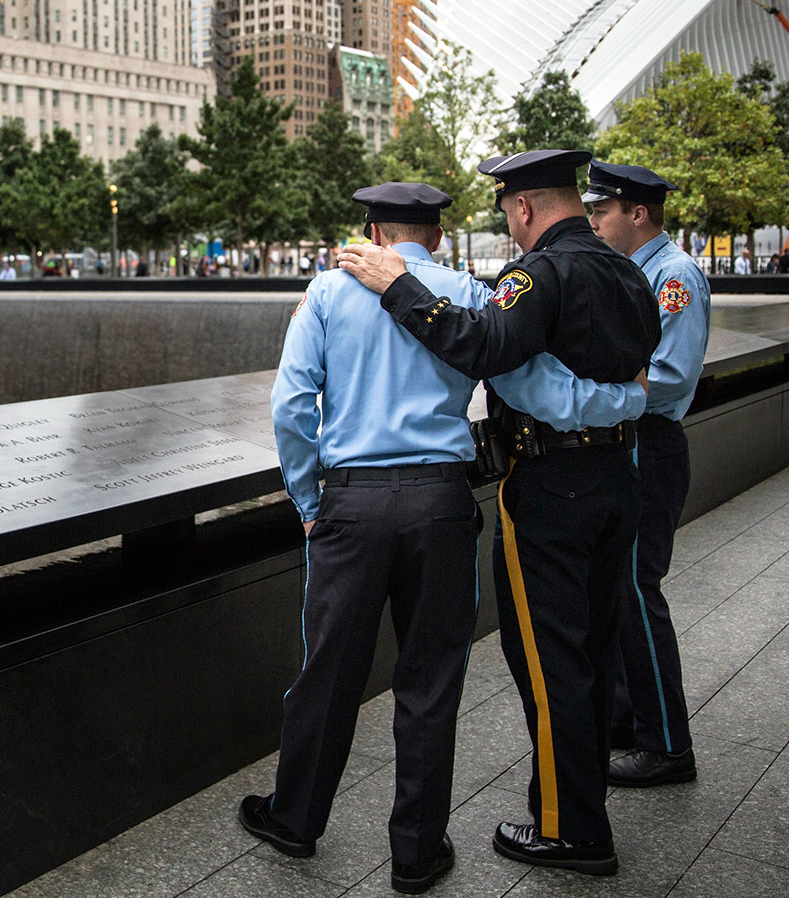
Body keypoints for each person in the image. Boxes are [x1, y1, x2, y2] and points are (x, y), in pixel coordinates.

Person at [245, 182, 648, 894]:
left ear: (370, 230)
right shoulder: (471, 295)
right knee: (431, 682)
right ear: (435, 235)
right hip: (441, 505)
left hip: (351, 505)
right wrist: (625, 400)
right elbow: (525, 384)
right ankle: (418, 852)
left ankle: (295, 819)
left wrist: (310, 499)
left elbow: (290, 405)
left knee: (327, 674)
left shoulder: (329, 293)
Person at [584, 162, 710, 788]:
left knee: (637, 591)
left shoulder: (674, 276)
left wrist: (592, 387)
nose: (594, 222)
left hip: (649, 446)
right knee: (618, 592)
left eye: (602, 211)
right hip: (625, 443)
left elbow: (670, 377)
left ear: (637, 213)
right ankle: (627, 726)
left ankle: (666, 743)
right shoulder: (630, 273)